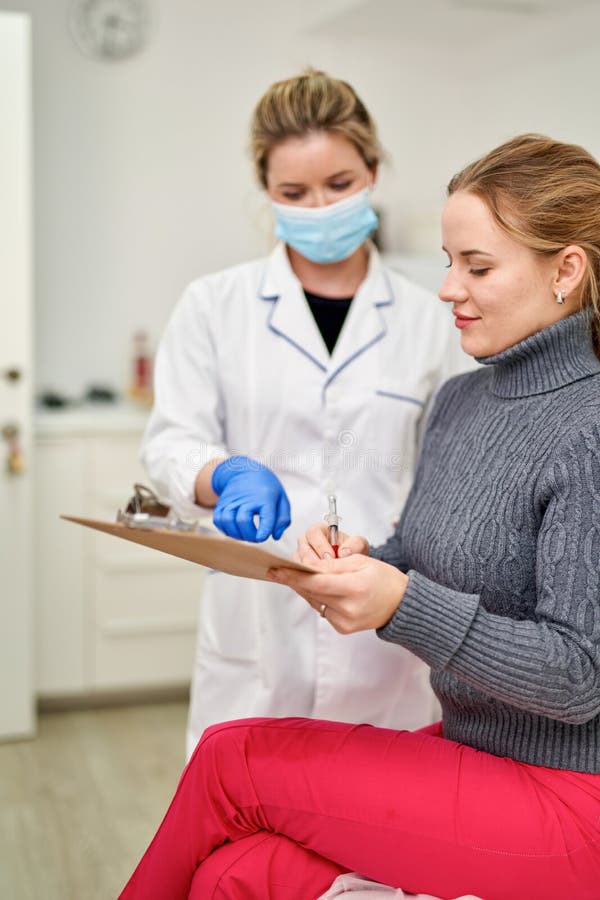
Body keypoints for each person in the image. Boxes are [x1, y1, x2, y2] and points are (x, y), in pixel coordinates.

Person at [120, 134, 600, 900]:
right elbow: (417, 549)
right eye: (447, 263)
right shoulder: (463, 399)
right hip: (477, 751)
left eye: (476, 267)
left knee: (229, 760)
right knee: (233, 872)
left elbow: (580, 677)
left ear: (566, 271)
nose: (448, 289)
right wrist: (366, 558)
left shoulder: (589, 426)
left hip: (571, 792)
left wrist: (399, 602)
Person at [141, 69, 468, 756]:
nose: (319, 207)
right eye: (295, 193)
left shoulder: (428, 319)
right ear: (267, 191)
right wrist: (223, 473)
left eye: (340, 185)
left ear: (373, 172)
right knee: (241, 839)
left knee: (379, 847)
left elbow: (458, 466)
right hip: (257, 627)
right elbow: (171, 442)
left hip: (385, 632)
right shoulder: (213, 306)